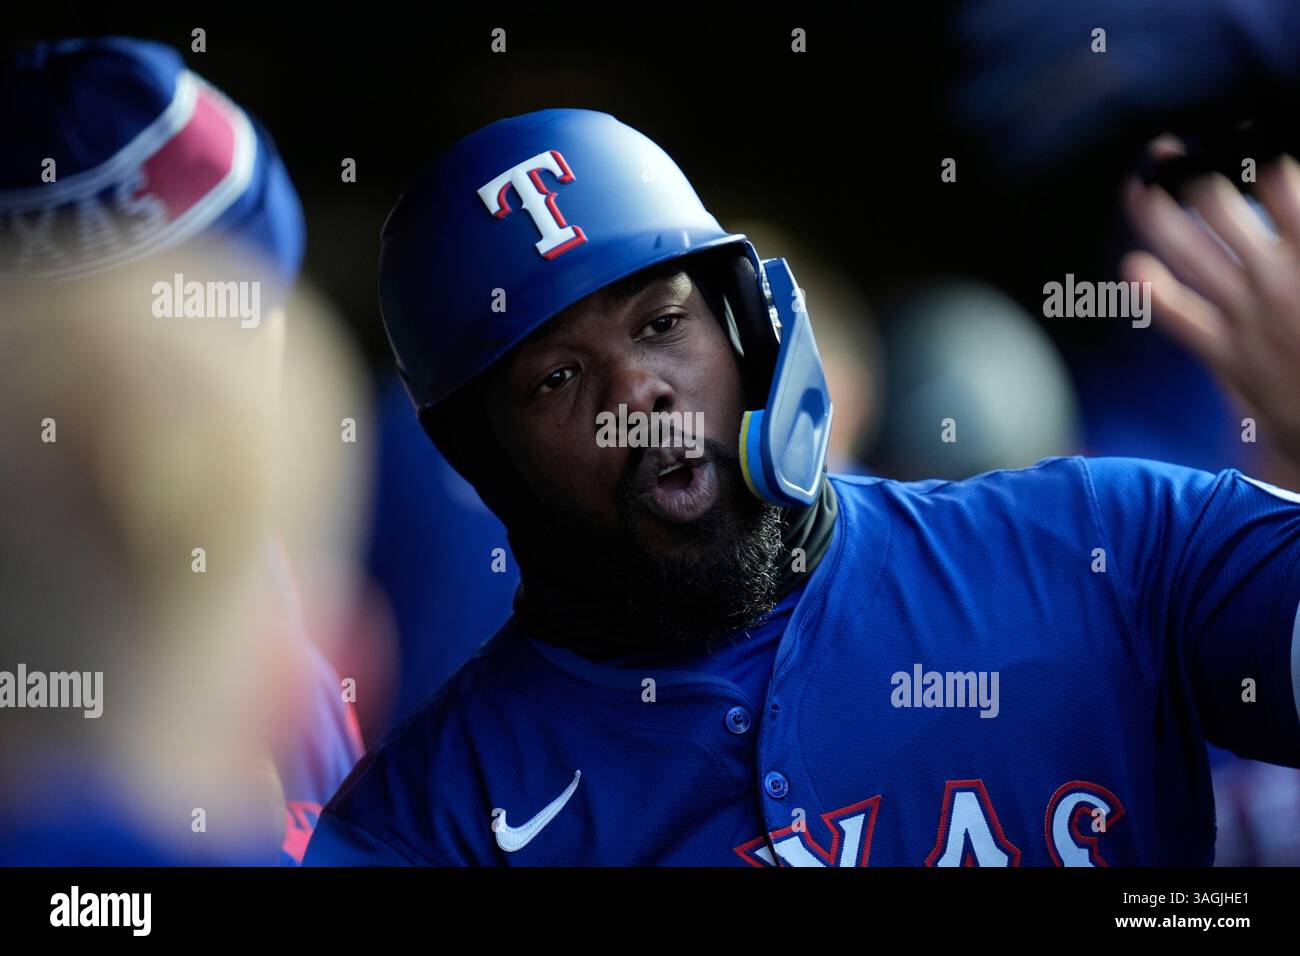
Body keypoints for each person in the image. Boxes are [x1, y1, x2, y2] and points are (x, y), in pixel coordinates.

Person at [305, 108, 1300, 866]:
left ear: (749, 328)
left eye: (659, 322)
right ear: (486, 461)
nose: (636, 390)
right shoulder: (427, 822)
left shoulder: (1110, 542)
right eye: (556, 378)